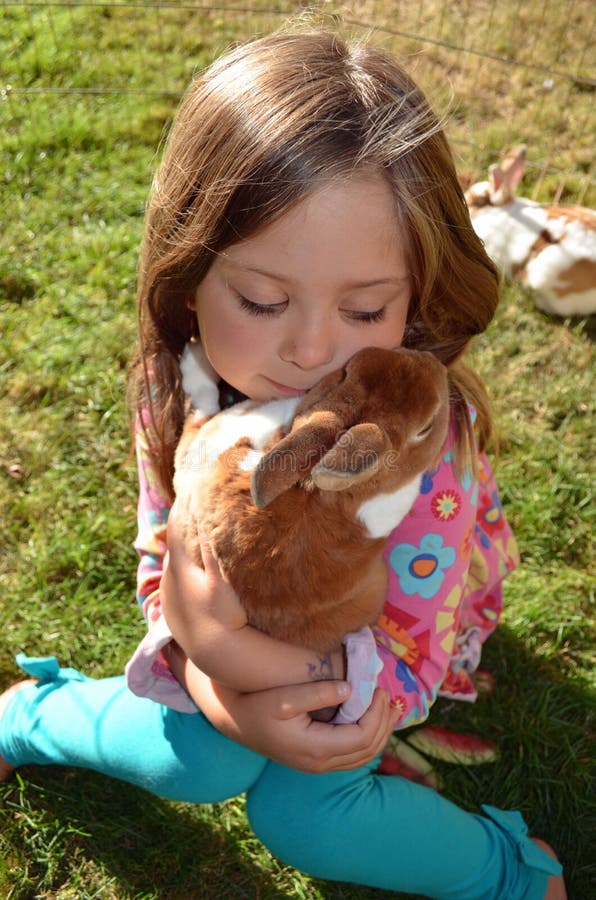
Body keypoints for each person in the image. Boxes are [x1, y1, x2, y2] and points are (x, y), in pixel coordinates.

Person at [0, 29, 566, 899]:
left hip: (373, 663)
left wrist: (334, 708)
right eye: (263, 299)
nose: (310, 350)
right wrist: (222, 686)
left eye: (366, 307)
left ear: (414, 295)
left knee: (304, 815)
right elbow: (167, 564)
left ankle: (512, 874)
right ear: (190, 277)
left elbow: (420, 628)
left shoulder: (416, 434)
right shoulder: (176, 389)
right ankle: (25, 718)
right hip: (228, 646)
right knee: (199, 761)